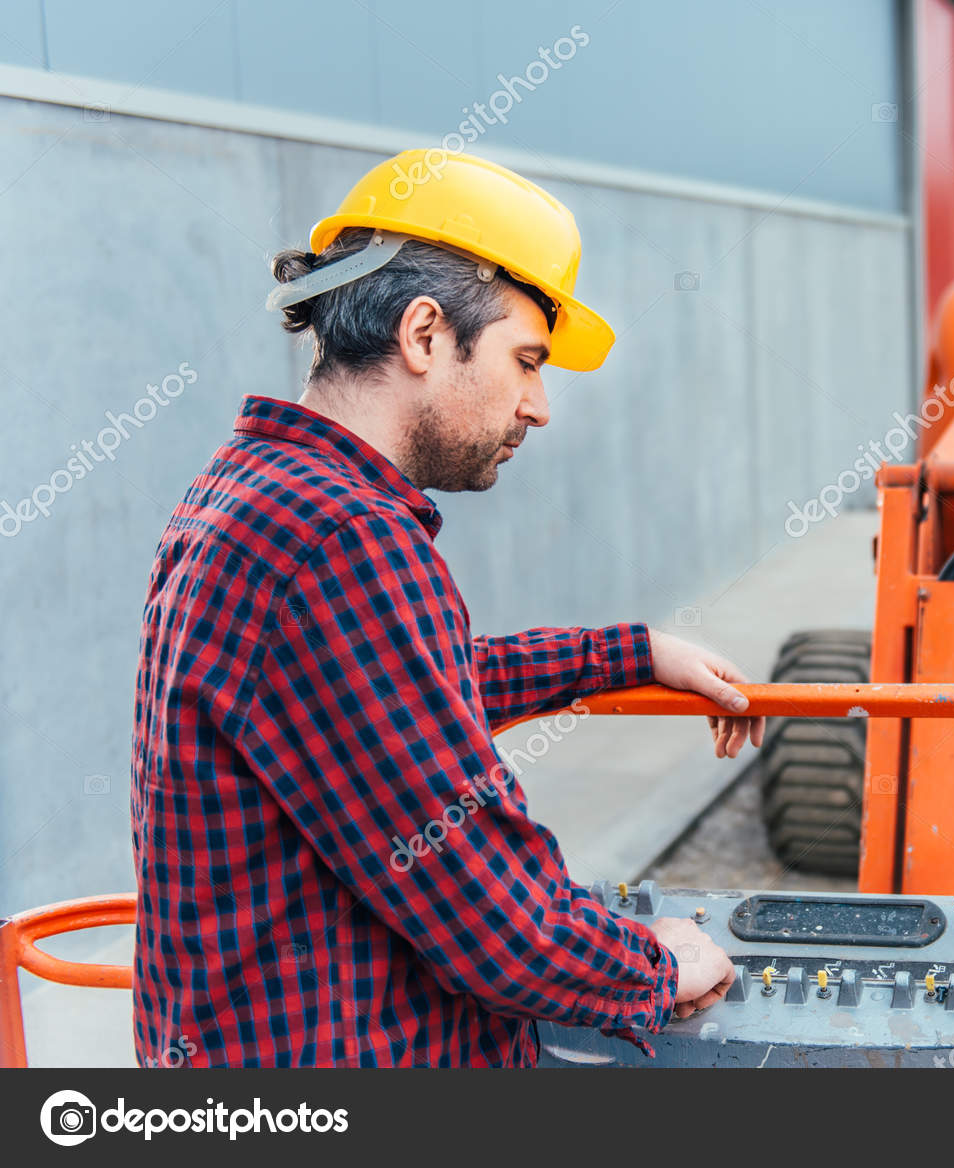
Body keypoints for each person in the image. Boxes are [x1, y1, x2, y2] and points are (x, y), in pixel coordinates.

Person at [130, 150, 756, 1066]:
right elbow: (494, 919)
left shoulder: (249, 489)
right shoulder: (343, 536)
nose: (539, 406)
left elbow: (401, 694)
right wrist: (655, 966)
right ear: (425, 334)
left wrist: (630, 651)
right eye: (527, 360)